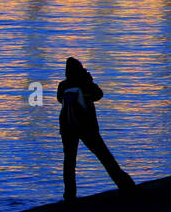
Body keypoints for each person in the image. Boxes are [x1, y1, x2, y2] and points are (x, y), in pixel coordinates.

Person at [57, 57, 136, 200]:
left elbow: (61, 98)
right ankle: (126, 185)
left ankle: (69, 195)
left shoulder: (64, 85)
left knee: (70, 161)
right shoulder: (82, 83)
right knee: (104, 156)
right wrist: (87, 82)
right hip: (86, 127)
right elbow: (98, 94)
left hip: (68, 127)